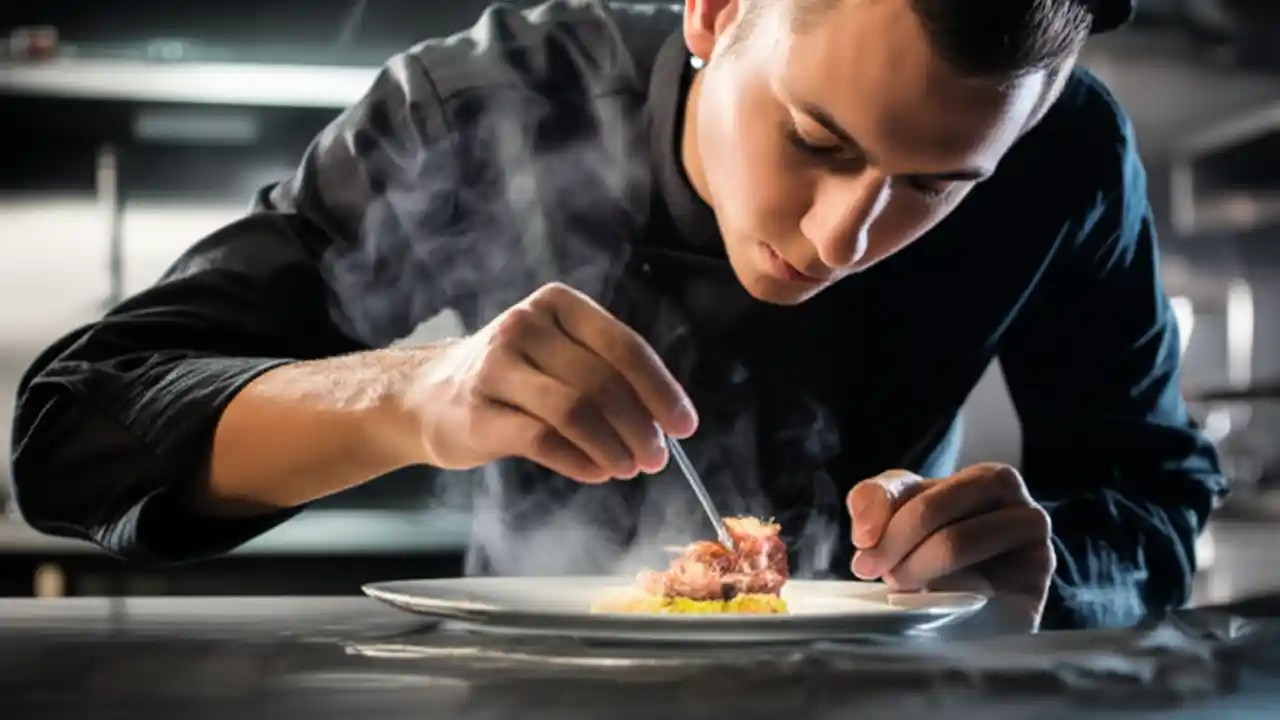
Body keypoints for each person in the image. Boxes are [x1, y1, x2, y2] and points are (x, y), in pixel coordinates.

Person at [11, 0, 1226, 630]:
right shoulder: (485, 104)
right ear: (712, 13)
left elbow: (1157, 496)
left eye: (931, 188)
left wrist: (1045, 568)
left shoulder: (1070, 155)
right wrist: (411, 396)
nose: (838, 240)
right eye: (813, 138)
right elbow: (70, 433)